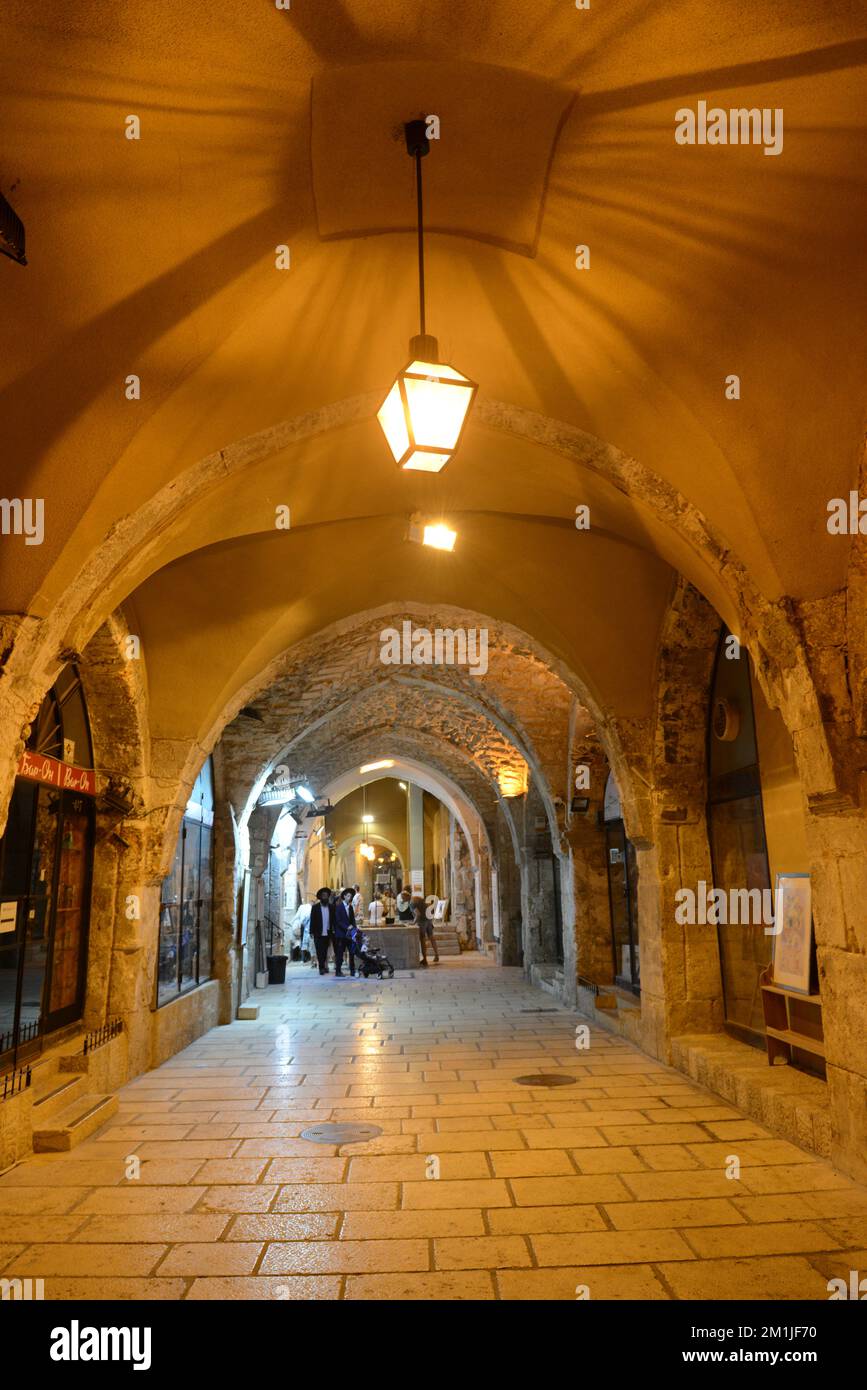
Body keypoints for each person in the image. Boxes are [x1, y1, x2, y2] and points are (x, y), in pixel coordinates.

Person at [308, 887, 334, 976]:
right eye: (323, 896)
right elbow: (312, 920)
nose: (325, 897)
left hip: (328, 933)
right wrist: (311, 932)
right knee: (319, 951)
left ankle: (324, 966)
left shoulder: (331, 907)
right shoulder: (315, 907)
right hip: (318, 933)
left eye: (326, 895)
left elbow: (333, 920)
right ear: (320, 897)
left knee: (325, 951)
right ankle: (321, 968)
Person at [333, 887, 357, 977]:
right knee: (340, 953)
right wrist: (347, 927)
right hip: (341, 934)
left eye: (350, 896)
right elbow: (338, 921)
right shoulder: (339, 907)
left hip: (350, 935)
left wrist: (354, 929)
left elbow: (352, 919)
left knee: (351, 952)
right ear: (344, 897)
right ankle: (338, 971)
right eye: (348, 896)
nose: (349, 898)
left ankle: (352, 970)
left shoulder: (350, 907)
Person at [411, 894, 439, 966]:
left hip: (422, 922)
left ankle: (425, 959)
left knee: (422, 940)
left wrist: (413, 923)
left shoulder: (412, 903)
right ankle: (436, 955)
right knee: (432, 938)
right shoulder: (422, 902)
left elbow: (418, 914)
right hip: (428, 920)